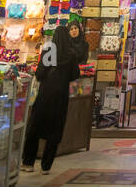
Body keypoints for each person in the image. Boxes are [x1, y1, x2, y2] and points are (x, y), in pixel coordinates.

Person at [21, 19, 89, 174]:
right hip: (61, 96)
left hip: (45, 94)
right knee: (55, 130)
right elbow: (75, 74)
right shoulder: (70, 54)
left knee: (35, 128)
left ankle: (28, 163)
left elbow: (40, 73)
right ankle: (46, 166)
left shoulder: (49, 50)